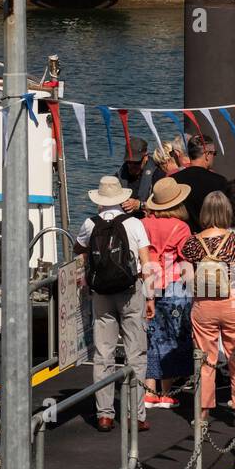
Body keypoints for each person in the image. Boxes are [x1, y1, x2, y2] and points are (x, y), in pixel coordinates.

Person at [75, 175, 152, 433]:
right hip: (131, 291)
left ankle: (105, 415)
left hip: (100, 293)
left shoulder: (89, 223)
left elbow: (79, 249)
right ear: (121, 198)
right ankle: (136, 415)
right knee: (136, 353)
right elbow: (145, 261)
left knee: (104, 352)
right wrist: (149, 296)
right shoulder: (134, 223)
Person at [182, 192, 235, 429]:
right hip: (233, 302)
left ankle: (202, 415)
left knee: (204, 360)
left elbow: (188, 280)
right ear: (226, 212)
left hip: (204, 304)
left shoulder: (192, 243)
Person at [141, 176, 193, 408]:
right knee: (173, 338)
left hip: (149, 284)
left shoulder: (144, 223)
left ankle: (149, 391)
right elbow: (186, 260)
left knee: (151, 338)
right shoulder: (181, 227)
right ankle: (166, 393)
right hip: (173, 286)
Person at [172, 133, 230, 232]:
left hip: (181, 237)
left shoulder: (173, 180)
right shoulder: (220, 182)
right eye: (214, 153)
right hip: (210, 237)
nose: (214, 157)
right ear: (207, 155)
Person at [118, 137, 164, 213]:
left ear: (145, 157)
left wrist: (140, 205)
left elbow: (163, 205)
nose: (132, 166)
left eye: (136, 162)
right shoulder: (121, 173)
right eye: (129, 162)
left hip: (147, 218)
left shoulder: (158, 174)